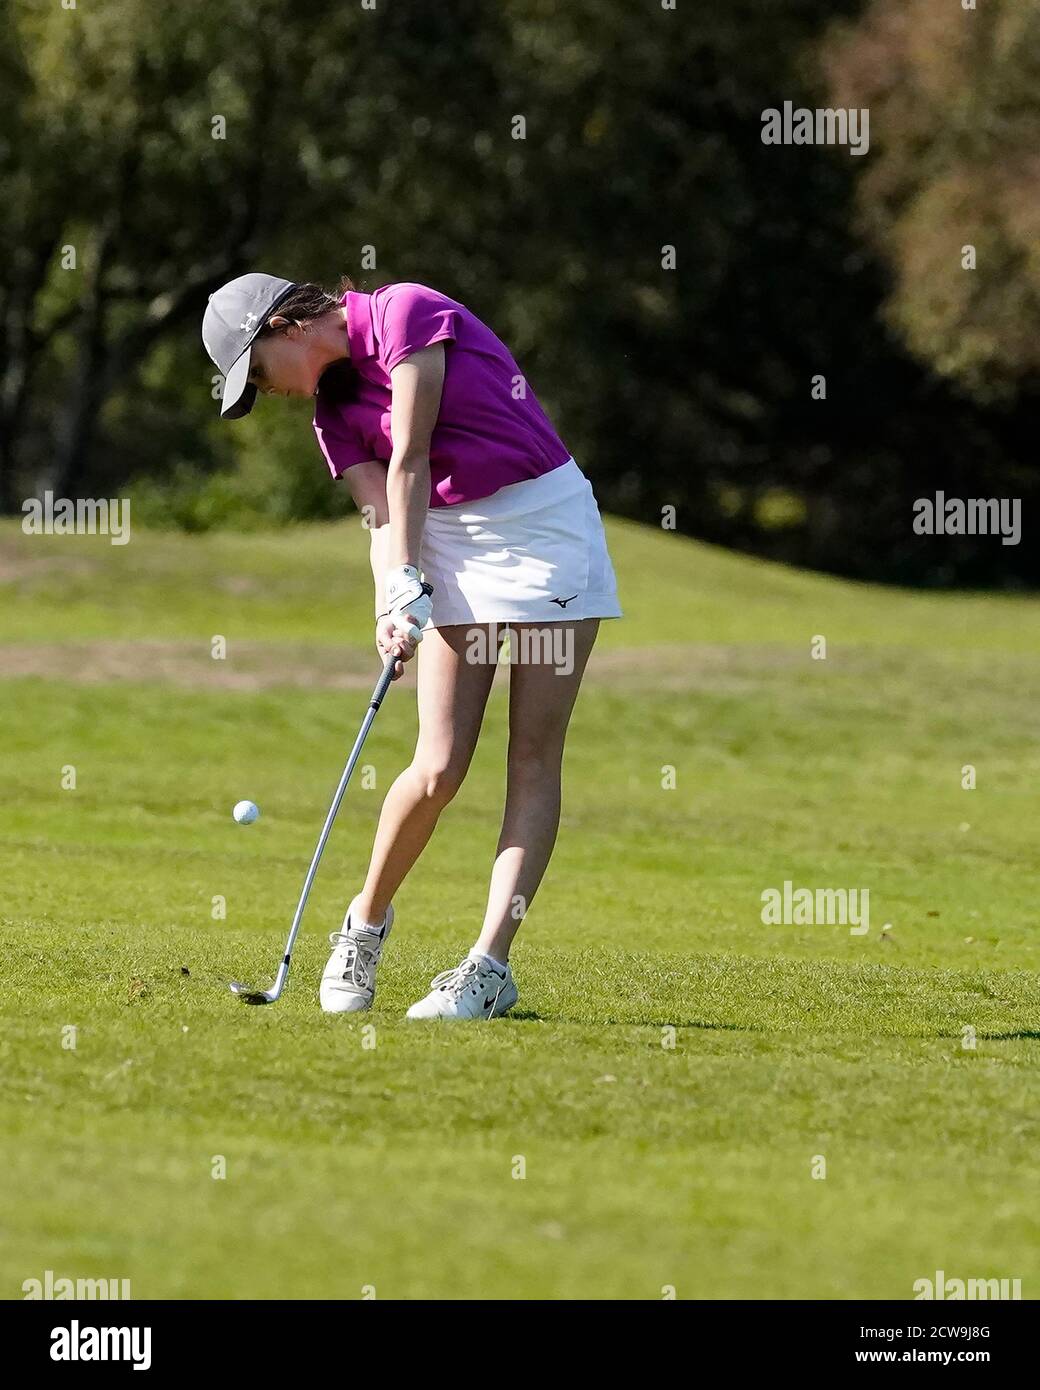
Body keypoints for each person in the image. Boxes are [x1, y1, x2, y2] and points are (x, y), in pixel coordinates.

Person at [202, 273, 622, 1019]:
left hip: (546, 529)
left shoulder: (405, 312)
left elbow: (411, 459)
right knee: (437, 765)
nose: (269, 392)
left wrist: (406, 572)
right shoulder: (332, 415)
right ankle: (364, 923)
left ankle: (489, 966)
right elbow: (378, 512)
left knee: (531, 756)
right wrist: (389, 604)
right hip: (451, 538)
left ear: (284, 328)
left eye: (258, 374)